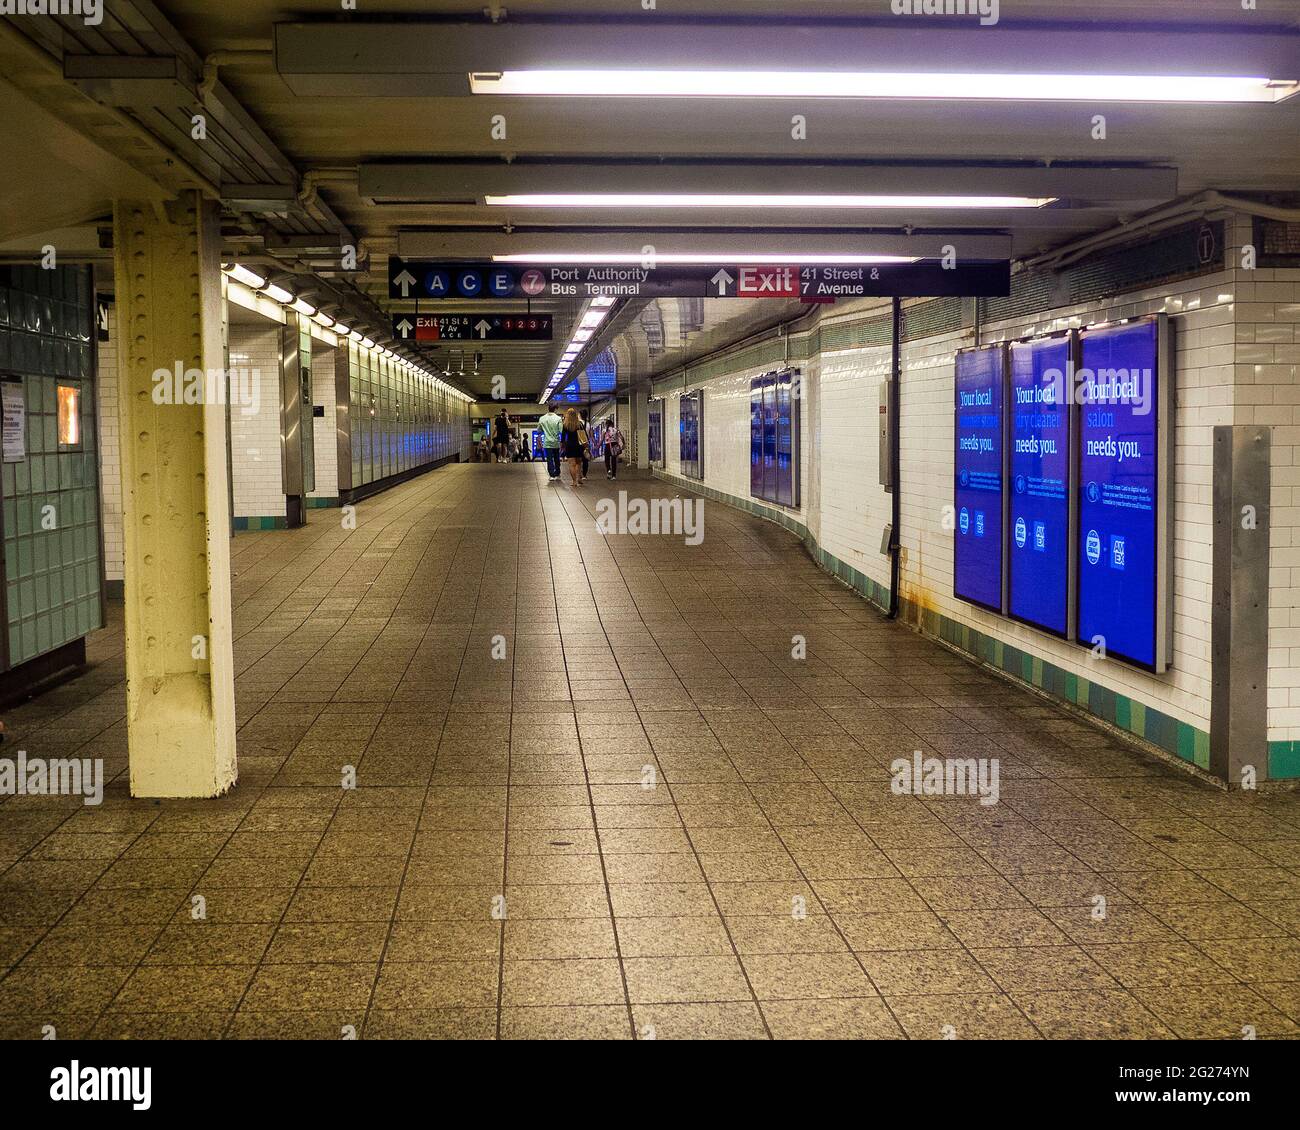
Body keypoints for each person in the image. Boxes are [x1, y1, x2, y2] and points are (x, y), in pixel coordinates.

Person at [537, 403, 564, 479]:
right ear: (555, 409)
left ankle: (551, 475)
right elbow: (561, 431)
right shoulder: (558, 418)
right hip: (556, 442)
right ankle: (557, 473)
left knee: (549, 459)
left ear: (548, 409)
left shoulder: (542, 418)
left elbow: (539, 430)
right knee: (556, 458)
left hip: (547, 442)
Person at [561, 407, 585, 487]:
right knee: (578, 463)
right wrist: (585, 446)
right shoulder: (580, 424)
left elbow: (563, 438)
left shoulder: (565, 425)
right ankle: (579, 478)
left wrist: (562, 446)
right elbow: (583, 436)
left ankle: (574, 481)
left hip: (570, 446)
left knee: (572, 464)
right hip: (579, 446)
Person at [578, 411, 591, 483]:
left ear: (580, 415)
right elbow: (591, 434)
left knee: (579, 459)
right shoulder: (588, 424)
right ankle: (584, 475)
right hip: (586, 443)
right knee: (585, 460)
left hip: (579, 443)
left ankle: (579, 474)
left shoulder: (578, 423)